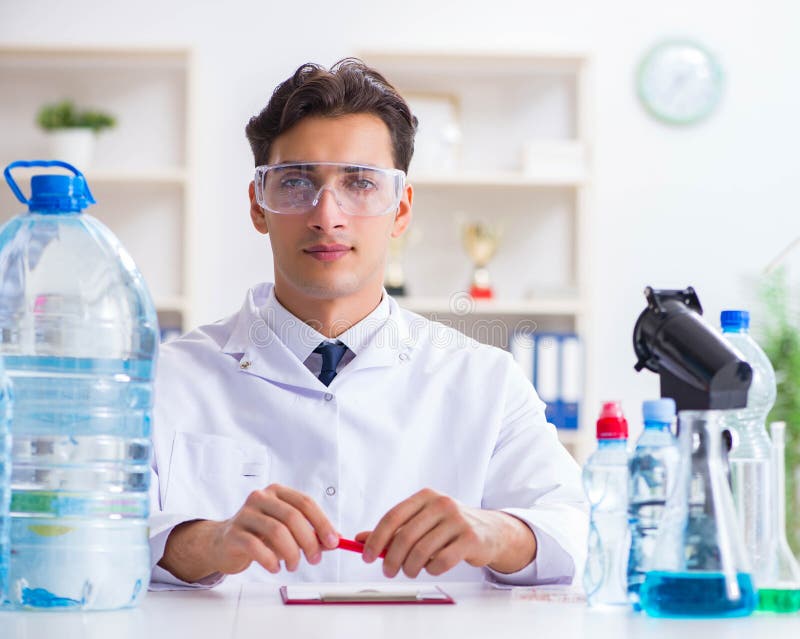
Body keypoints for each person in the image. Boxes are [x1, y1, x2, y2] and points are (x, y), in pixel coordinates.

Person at [149, 58, 587, 590]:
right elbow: (97, 537)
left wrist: (494, 532)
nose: (327, 214)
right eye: (295, 183)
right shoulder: (165, 378)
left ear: (401, 208)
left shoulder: (487, 381)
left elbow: (571, 533)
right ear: (258, 205)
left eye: (359, 183)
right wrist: (208, 543)